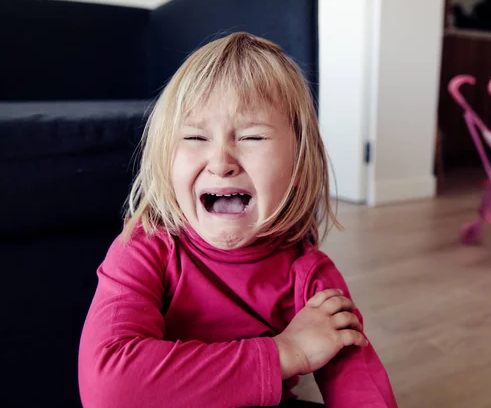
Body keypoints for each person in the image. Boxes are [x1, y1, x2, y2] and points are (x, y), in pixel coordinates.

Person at [78, 32, 398, 408]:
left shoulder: (310, 276)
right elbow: (109, 389)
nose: (220, 162)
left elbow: (362, 388)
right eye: (196, 136)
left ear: (299, 160)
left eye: (252, 137)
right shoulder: (144, 249)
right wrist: (285, 352)